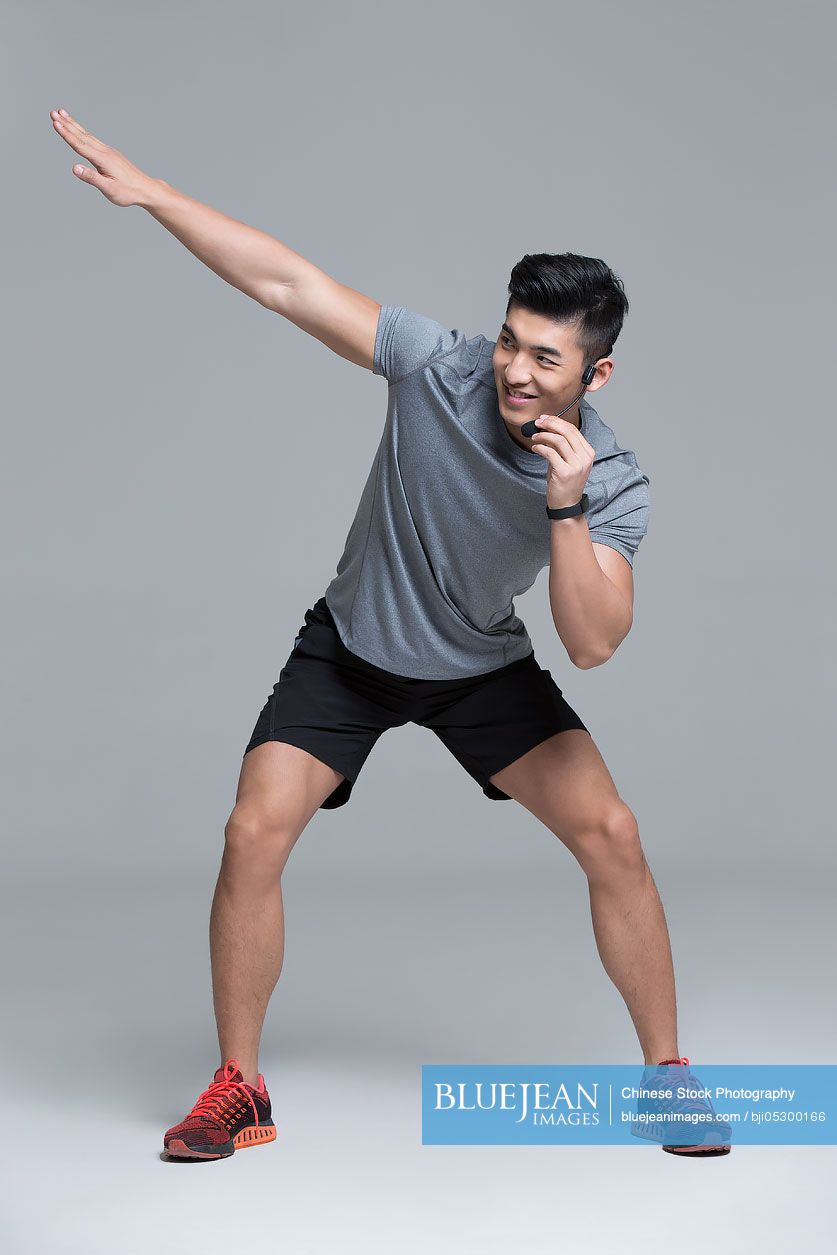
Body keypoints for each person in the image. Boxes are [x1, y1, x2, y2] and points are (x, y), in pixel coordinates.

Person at [50, 107, 731, 1159]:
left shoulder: (615, 482)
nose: (513, 369)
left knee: (615, 835)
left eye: (545, 358)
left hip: (480, 669)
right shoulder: (436, 367)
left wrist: (565, 506)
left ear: (595, 378)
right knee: (249, 832)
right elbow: (289, 282)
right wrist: (156, 198)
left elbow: (592, 643)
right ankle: (240, 1089)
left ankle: (668, 1078)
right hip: (353, 651)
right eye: (510, 339)